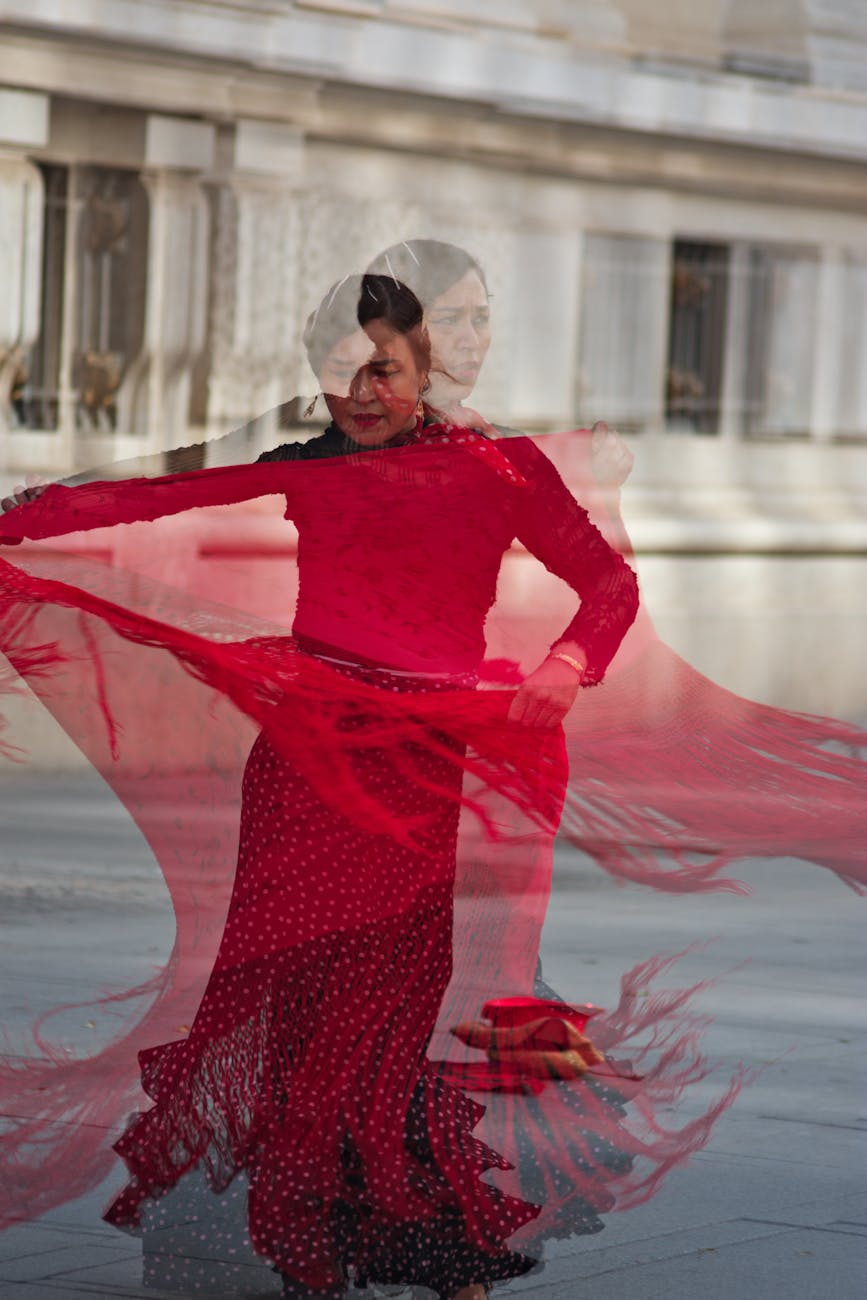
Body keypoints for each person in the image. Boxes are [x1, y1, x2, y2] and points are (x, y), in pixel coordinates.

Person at [0, 272, 640, 1299]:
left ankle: (440, 1250)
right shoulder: (311, 469)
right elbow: (158, 496)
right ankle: (315, 1245)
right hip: (302, 764)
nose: (362, 393)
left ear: (425, 368)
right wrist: (19, 518)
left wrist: (568, 664)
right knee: (292, 1002)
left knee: (390, 1006)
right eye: (340, 374)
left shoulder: (496, 469)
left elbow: (608, 582)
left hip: (414, 766)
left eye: (382, 369)